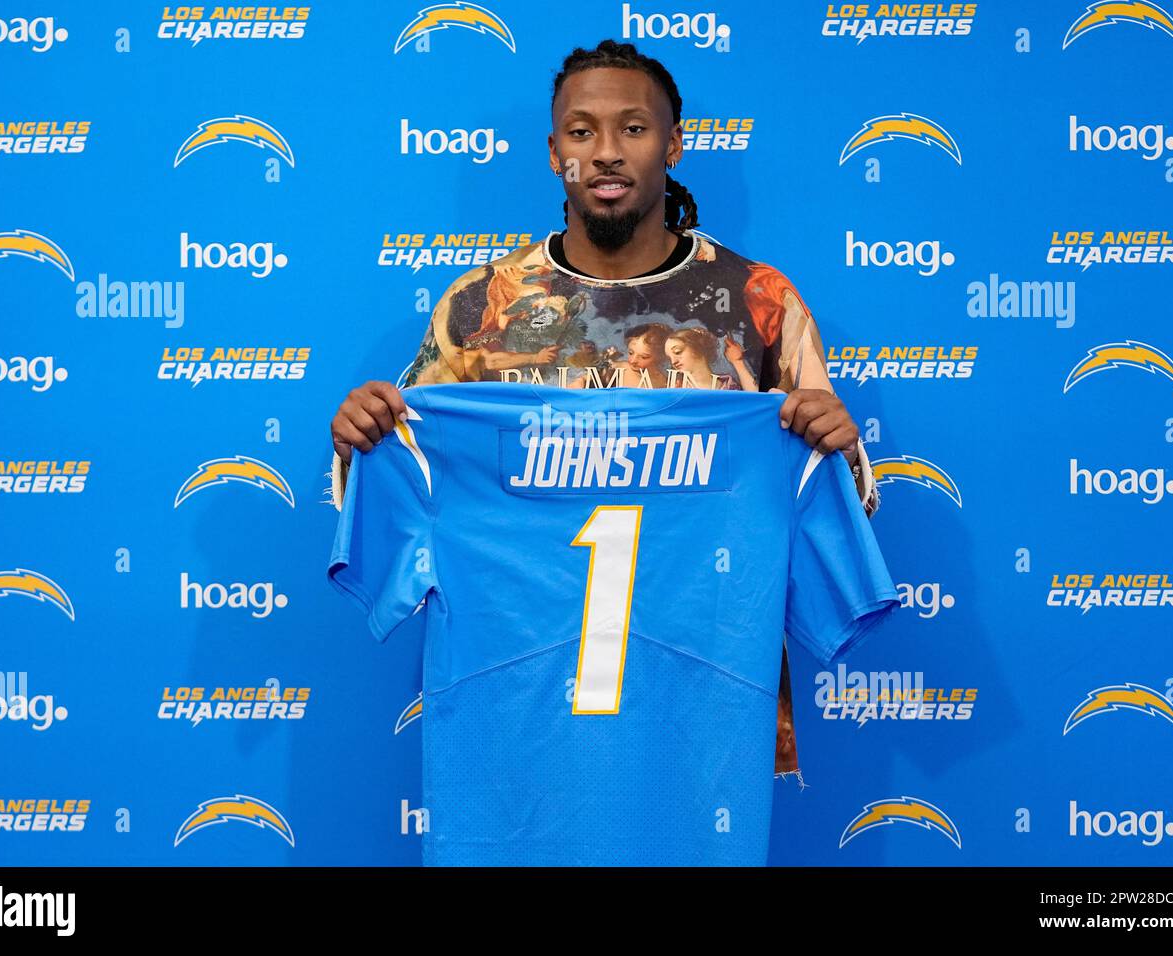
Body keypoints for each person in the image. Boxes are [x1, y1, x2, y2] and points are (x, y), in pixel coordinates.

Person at [329, 39, 881, 783]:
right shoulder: (480, 306)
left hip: (705, 692)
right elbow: (409, 476)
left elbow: (834, 496)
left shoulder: (761, 302)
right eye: (582, 132)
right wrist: (365, 438)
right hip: (521, 689)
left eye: (634, 128)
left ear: (675, 145)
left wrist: (839, 448)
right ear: (554, 151)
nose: (607, 152)